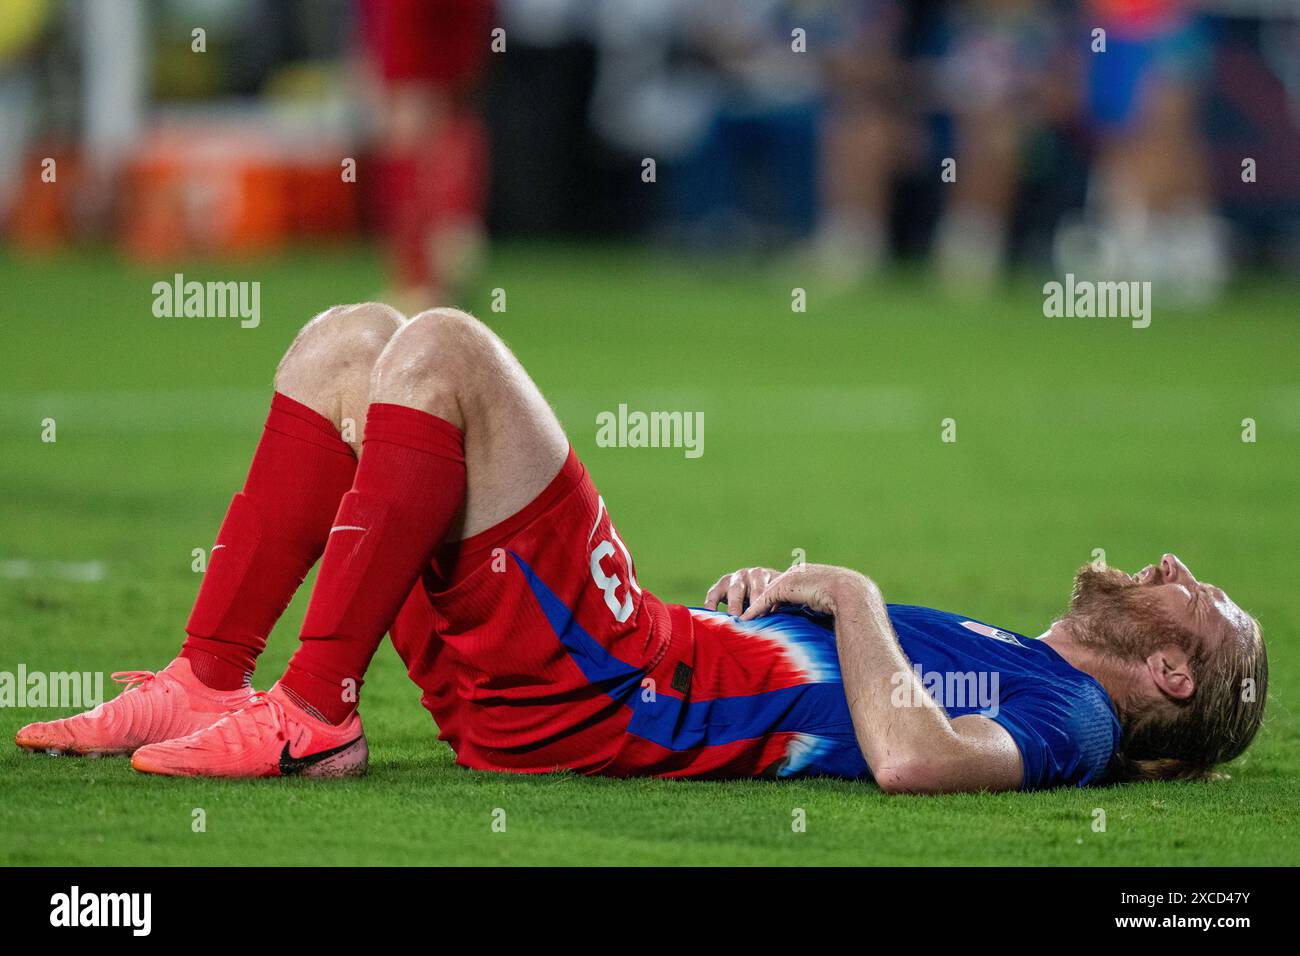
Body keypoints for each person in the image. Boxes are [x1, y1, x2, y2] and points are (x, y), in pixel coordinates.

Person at [15, 303, 1267, 791]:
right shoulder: (1022, 654)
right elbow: (869, 698)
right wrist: (787, 610)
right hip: (608, 671)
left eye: (1198, 600)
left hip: (604, 685)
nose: (1171, 563)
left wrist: (848, 588)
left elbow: (919, 762)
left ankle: (315, 709)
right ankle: (209, 672)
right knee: (351, 345)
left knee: (444, 350)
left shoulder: (1079, 724)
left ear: (1170, 674)